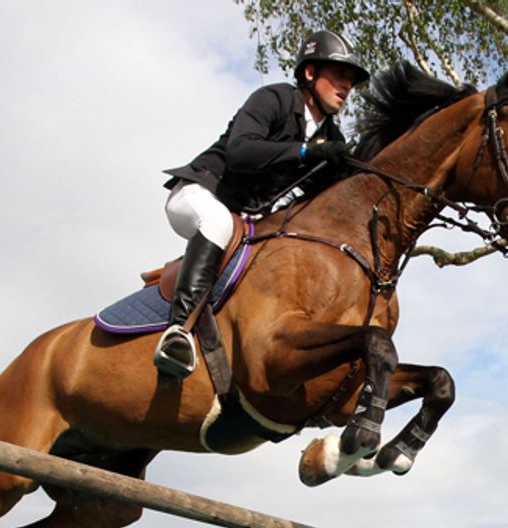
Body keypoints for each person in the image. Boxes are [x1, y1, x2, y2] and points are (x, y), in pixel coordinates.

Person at [155, 29, 370, 378]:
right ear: (310, 73)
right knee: (217, 223)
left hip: (247, 221)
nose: (346, 86)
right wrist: (306, 151)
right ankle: (178, 331)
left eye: (350, 80)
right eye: (338, 75)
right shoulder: (274, 99)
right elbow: (241, 151)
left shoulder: (330, 136)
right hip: (199, 194)